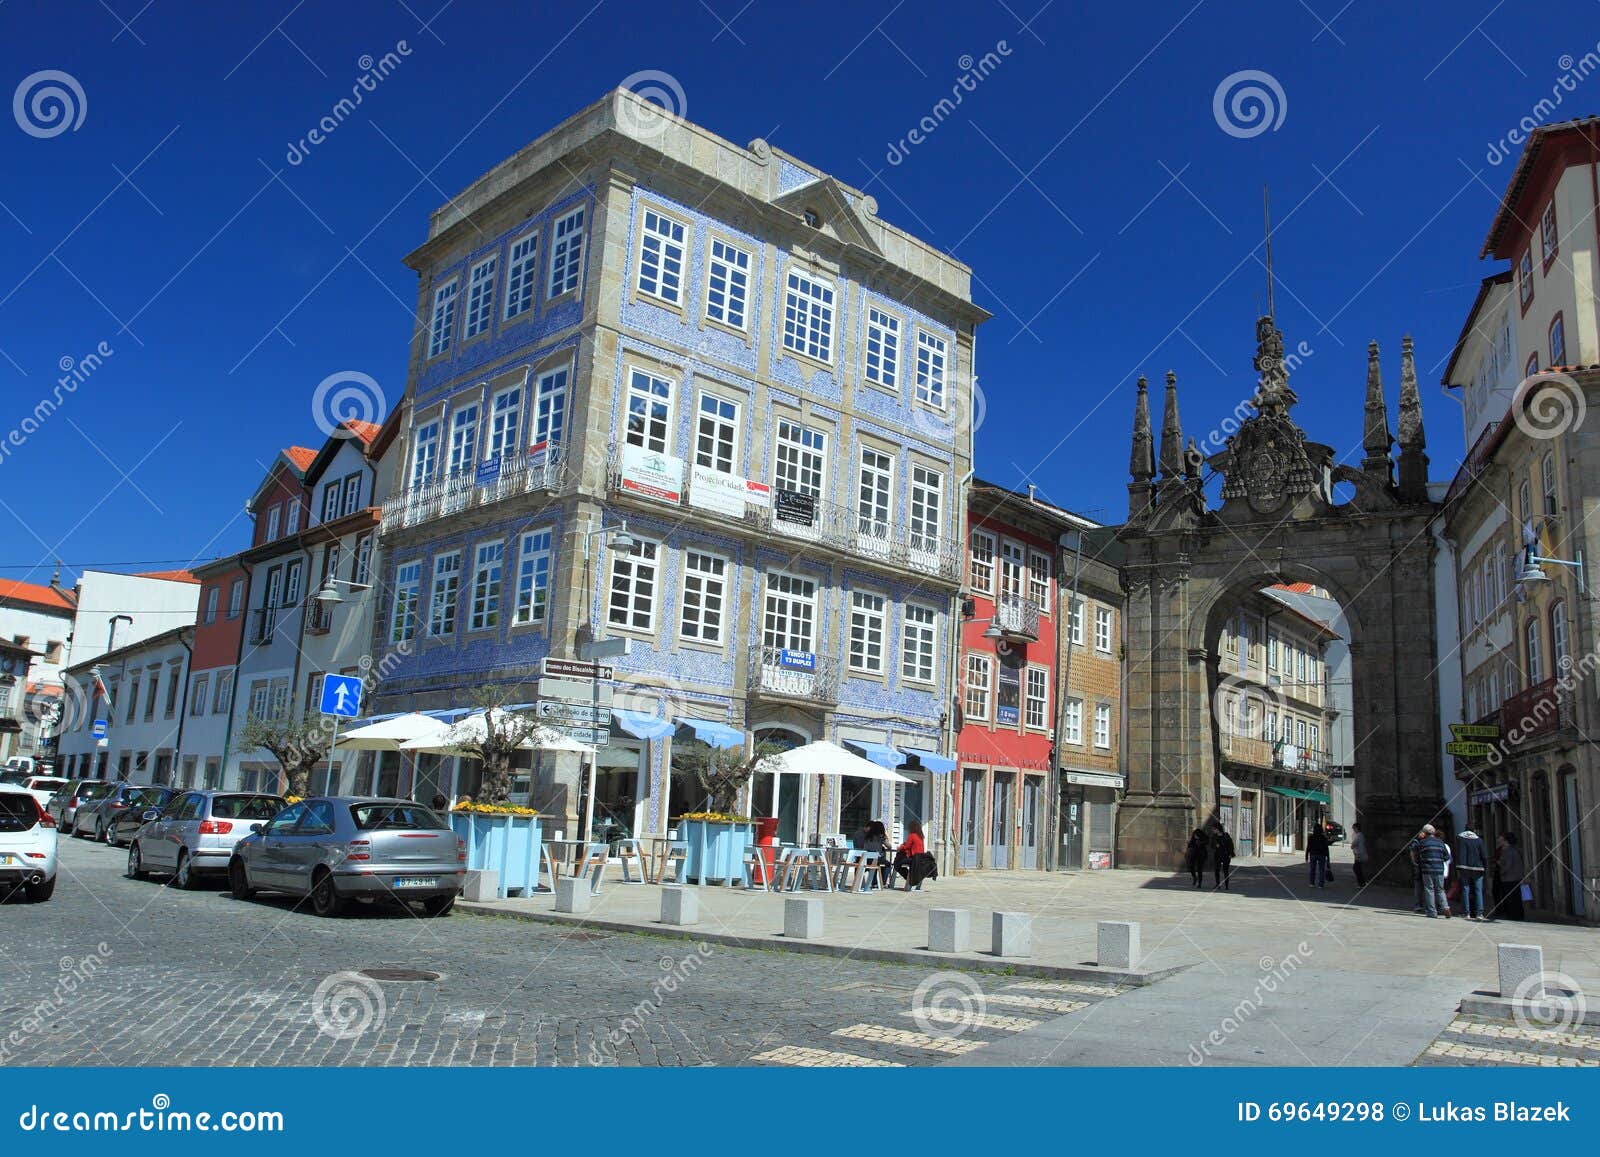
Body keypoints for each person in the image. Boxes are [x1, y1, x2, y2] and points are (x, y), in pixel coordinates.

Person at [1414, 824, 1450, 917]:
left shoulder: (1422, 843)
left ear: (1425, 833)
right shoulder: (1440, 842)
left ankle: (1432, 911)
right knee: (1440, 889)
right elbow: (1447, 857)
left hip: (1427, 869)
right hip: (1439, 869)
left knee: (1429, 889)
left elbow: (1417, 858)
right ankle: (1445, 907)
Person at [1491, 831, 1526, 921]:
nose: (1501, 842)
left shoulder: (1509, 851)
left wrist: (1501, 871)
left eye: (1503, 840)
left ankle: (1513, 915)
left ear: (1506, 841)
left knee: (1511, 898)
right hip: (1515, 877)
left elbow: (1507, 865)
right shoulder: (1514, 850)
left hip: (1509, 878)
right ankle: (1518, 914)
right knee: (1516, 897)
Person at [1455, 827, 1487, 920]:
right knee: (1478, 890)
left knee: (1465, 889)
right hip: (1478, 868)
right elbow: (1483, 855)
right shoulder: (1479, 840)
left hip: (1464, 867)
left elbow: (1457, 852)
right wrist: (1485, 866)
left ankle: (1466, 912)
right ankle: (1479, 913)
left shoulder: (1460, 839)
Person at [893, 820, 929, 890]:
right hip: (920, 859)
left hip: (914, 859)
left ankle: (910, 878)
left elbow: (907, 846)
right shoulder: (920, 837)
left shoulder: (912, 835)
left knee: (897, 864)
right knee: (900, 861)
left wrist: (900, 847)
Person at [861, 820, 891, 887]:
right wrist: (886, 836)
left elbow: (865, 847)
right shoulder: (881, 837)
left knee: (877, 864)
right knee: (888, 864)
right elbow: (889, 846)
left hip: (867, 858)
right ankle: (882, 882)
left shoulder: (867, 836)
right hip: (876, 858)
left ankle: (874, 882)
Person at [1209, 823, 1235, 891]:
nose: (1213, 830)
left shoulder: (1226, 835)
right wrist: (1215, 846)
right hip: (1217, 855)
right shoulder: (1214, 836)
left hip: (1225, 855)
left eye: (1214, 829)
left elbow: (1231, 845)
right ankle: (1217, 884)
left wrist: (1231, 854)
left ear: (1217, 829)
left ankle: (1226, 885)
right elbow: (1211, 845)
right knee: (1216, 870)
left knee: (1225, 871)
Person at [1306, 824, 1331, 888]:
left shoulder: (1311, 837)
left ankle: (1312, 883)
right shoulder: (1323, 838)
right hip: (1322, 855)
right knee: (1321, 870)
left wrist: (1306, 856)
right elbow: (1326, 848)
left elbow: (1308, 847)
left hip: (1313, 854)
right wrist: (1328, 858)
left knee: (1312, 869)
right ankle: (1321, 884)